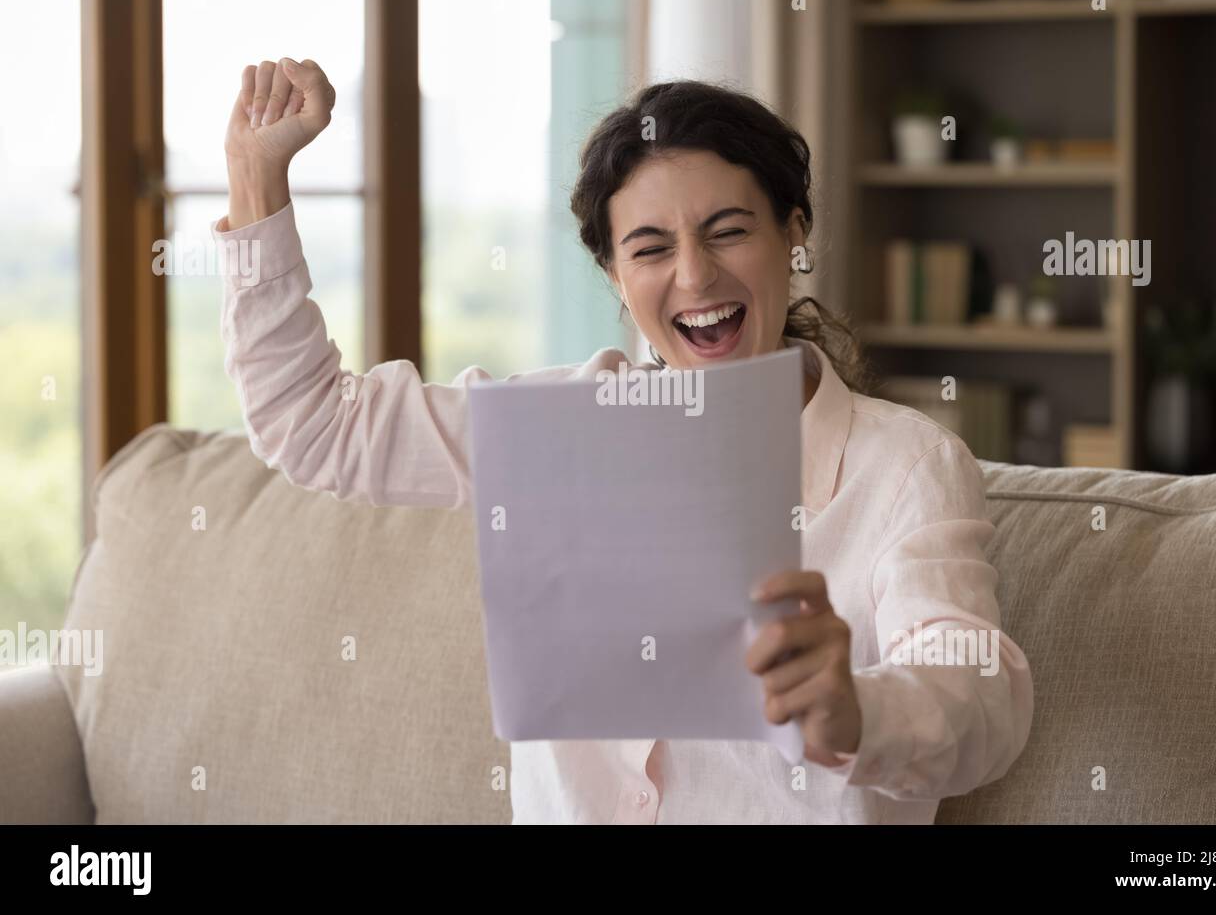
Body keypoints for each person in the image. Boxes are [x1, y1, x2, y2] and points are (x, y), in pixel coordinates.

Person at [215, 57, 1033, 824]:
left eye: (728, 230)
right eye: (650, 248)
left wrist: (858, 707)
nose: (695, 276)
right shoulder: (554, 429)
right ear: (614, 274)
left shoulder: (904, 466)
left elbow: (980, 691)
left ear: (794, 232)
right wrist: (257, 179)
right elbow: (315, 424)